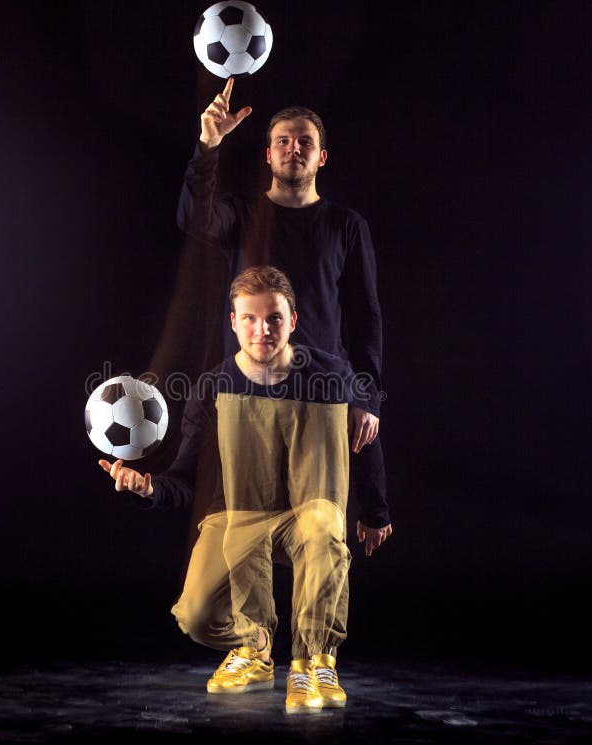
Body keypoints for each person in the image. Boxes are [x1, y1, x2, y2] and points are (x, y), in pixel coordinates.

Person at [100, 266, 375, 713]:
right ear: (233, 321)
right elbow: (186, 476)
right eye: (249, 318)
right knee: (194, 615)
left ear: (293, 320)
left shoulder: (331, 375)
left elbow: (366, 439)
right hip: (240, 511)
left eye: (273, 318)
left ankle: (314, 661)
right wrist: (149, 489)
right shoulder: (212, 387)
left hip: (309, 507)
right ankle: (257, 649)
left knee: (325, 526)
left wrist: (376, 510)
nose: (261, 330)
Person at [177, 77, 393, 543]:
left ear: (321, 157)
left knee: (320, 537)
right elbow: (193, 218)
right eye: (282, 141)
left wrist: (366, 396)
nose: (293, 149)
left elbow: (366, 316)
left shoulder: (346, 226)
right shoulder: (241, 214)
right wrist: (207, 147)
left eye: (305, 142)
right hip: (251, 391)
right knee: (245, 534)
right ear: (268, 155)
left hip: (323, 391)